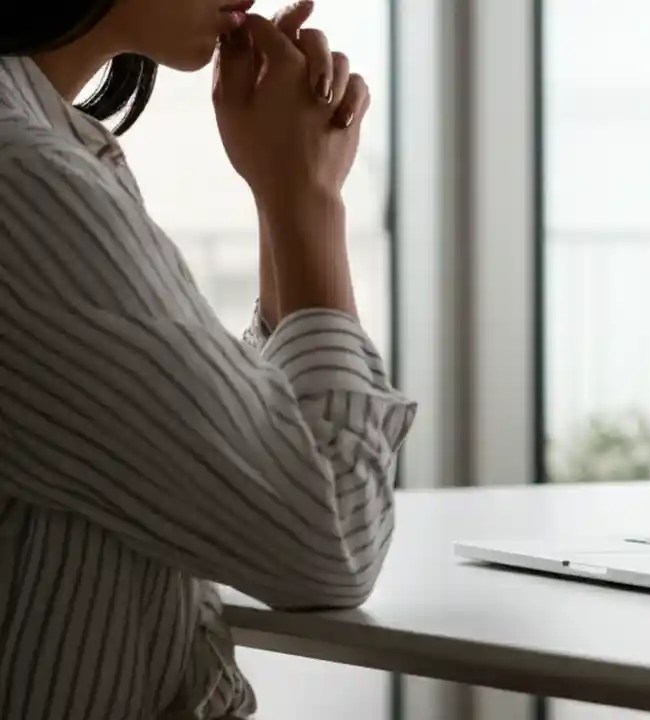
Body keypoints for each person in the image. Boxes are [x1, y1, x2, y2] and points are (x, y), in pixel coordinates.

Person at [0, 1, 415, 717]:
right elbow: (332, 537)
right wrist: (305, 197)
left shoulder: (47, 154)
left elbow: (224, 461)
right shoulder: (28, 185)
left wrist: (282, 186)